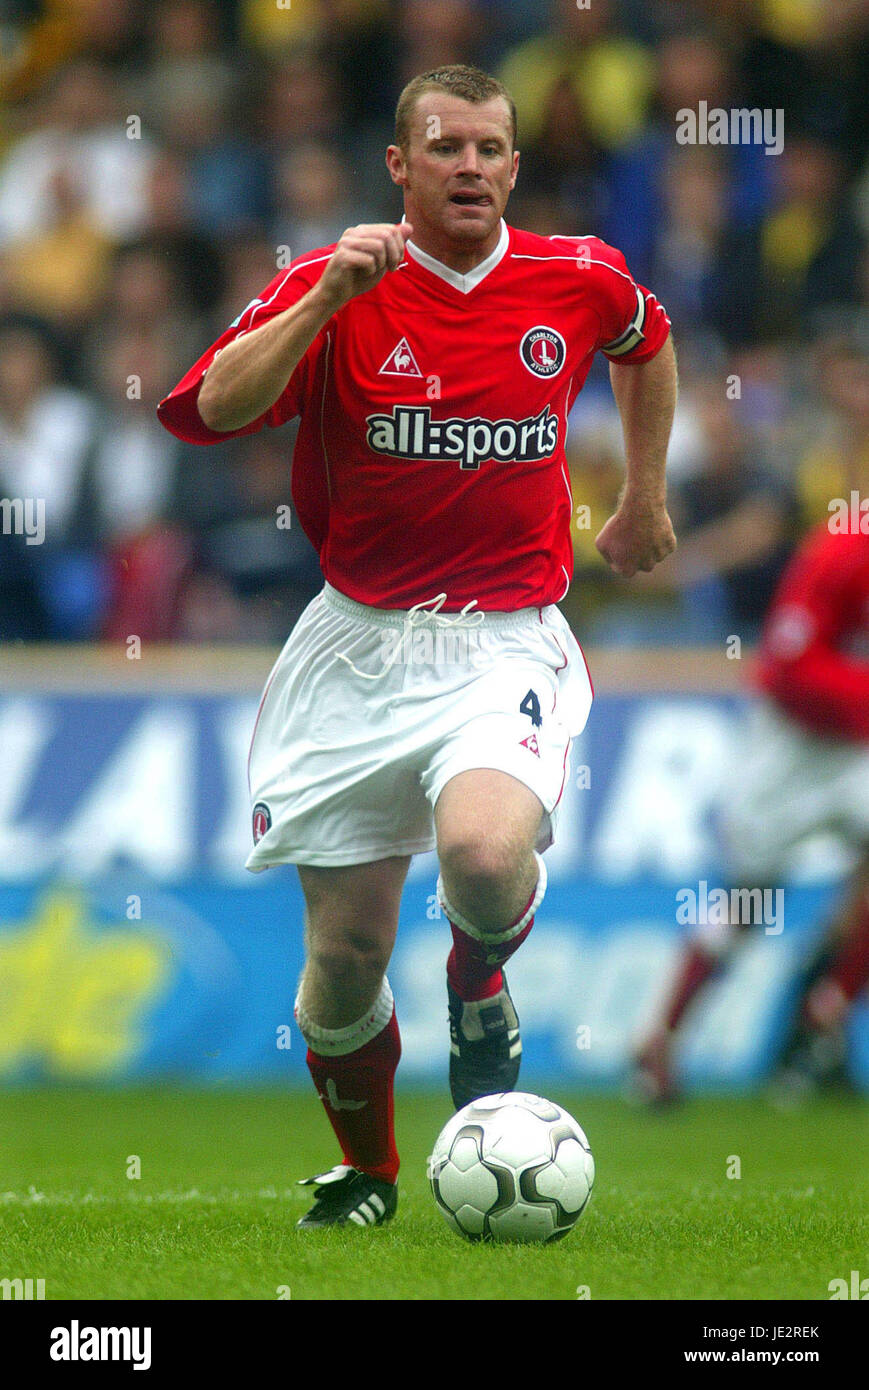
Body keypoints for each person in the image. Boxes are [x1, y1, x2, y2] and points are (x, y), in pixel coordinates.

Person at [158, 65, 677, 1227]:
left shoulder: (573, 276)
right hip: (355, 646)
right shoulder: (333, 282)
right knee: (342, 960)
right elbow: (210, 410)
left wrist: (641, 497)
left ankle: (475, 973)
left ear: (511, 165)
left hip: (502, 641)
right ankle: (371, 1173)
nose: (471, 168)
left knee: (485, 860)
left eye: (491, 149)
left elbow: (648, 338)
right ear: (399, 166)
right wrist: (318, 302)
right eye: (445, 147)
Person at [633, 522, 869, 1104]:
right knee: (749, 901)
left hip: (858, 747)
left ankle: (824, 1017)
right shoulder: (841, 550)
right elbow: (791, 665)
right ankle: (661, 1041)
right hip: (792, 748)